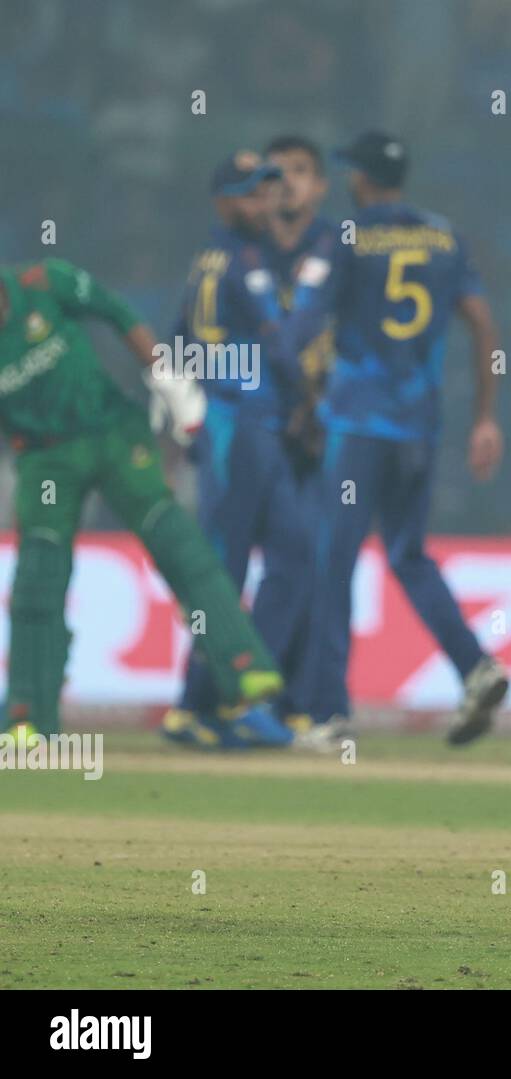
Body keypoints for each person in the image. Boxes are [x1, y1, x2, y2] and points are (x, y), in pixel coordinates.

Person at [282, 131, 509, 746]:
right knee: (409, 556)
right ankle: (475, 665)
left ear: (360, 178)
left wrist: (294, 396)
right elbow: (484, 325)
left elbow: (302, 326)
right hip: (420, 428)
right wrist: (486, 417)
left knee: (334, 562)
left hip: (357, 425)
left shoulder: (345, 237)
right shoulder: (445, 236)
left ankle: (329, 714)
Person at [0, 257, 284, 745]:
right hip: (45, 459)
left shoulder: (44, 283)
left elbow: (115, 311)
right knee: (37, 579)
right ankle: (29, 718)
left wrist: (165, 376)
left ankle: (245, 667)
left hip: (111, 432)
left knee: (177, 543)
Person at [160, 151, 310, 749]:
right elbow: (277, 348)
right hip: (242, 424)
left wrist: (182, 415)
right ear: (223, 202)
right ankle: (203, 703)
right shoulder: (245, 261)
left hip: (242, 423)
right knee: (228, 571)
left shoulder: (206, 261)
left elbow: (171, 344)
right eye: (250, 195)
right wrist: (307, 406)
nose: (263, 204)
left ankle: (236, 695)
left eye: (267, 192)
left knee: (291, 559)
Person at [262, 134, 336, 738]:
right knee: (251, 569)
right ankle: (232, 697)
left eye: (300, 171)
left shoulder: (341, 251)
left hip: (324, 428)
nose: (287, 181)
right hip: (258, 427)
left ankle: (304, 703)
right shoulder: (242, 253)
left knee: (315, 564)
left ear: (321, 187)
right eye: (276, 171)